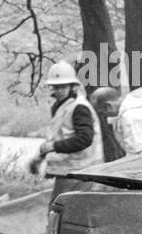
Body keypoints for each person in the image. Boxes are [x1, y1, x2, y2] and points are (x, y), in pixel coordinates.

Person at [27, 60, 104, 200]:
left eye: (63, 87)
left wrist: (54, 147)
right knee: (62, 210)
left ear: (73, 86)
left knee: (62, 210)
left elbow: (85, 139)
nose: (59, 91)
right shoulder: (61, 106)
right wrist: (39, 157)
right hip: (70, 171)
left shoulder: (79, 107)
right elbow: (57, 137)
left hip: (81, 172)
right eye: (56, 87)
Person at [88, 86, 126, 162]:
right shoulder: (127, 112)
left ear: (108, 106)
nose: (105, 117)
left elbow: (136, 148)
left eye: (102, 113)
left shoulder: (129, 116)